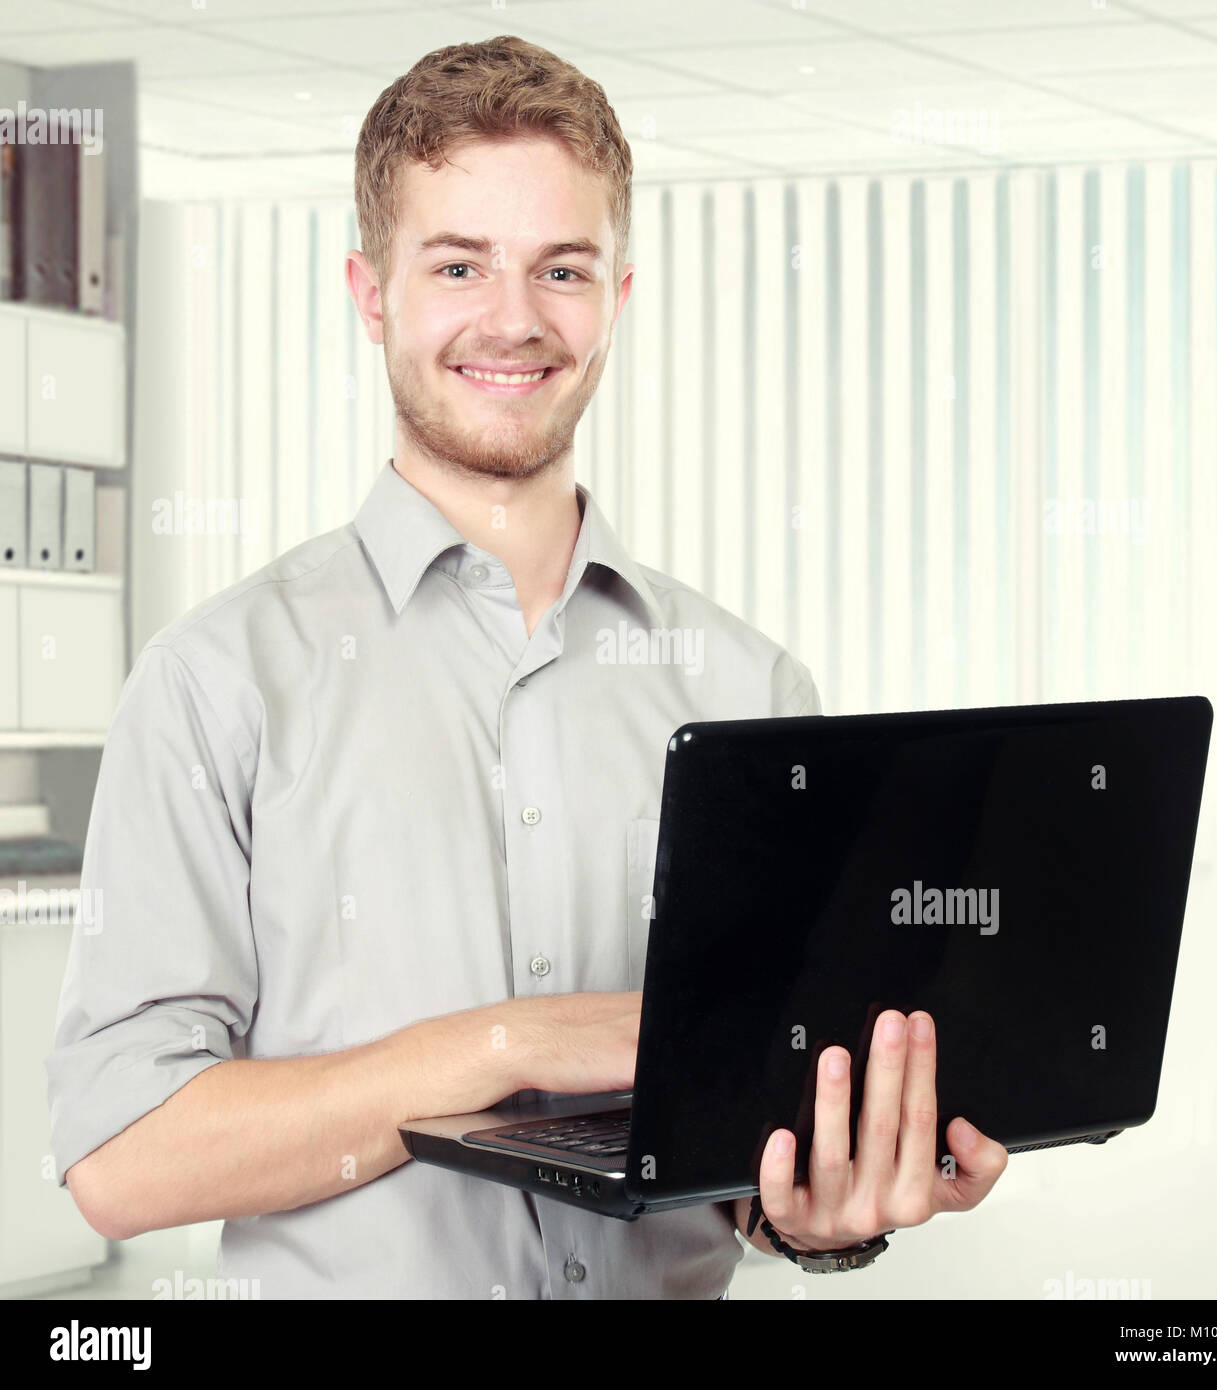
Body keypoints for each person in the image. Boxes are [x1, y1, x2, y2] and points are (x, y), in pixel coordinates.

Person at [46, 35, 1006, 1300]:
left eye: (561, 268)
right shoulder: (218, 680)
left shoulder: (748, 686)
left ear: (616, 296)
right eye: (457, 265)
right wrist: (503, 1045)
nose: (513, 319)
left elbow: (751, 1124)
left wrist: (823, 1210)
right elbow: (120, 1156)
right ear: (370, 291)